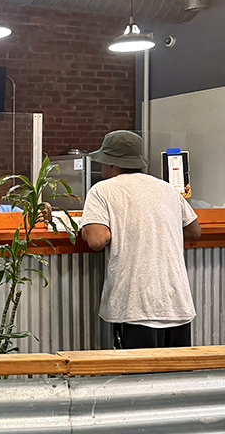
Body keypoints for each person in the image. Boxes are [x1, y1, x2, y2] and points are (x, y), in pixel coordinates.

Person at [80, 130, 202, 349]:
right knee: (179, 381)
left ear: (111, 164)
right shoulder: (167, 189)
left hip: (135, 306)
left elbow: (98, 239)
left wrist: (84, 229)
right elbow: (194, 231)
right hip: (177, 303)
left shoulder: (102, 190)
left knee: (139, 382)